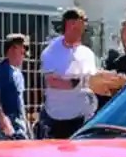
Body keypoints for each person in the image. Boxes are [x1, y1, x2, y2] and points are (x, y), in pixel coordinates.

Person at [39, 8, 102, 138]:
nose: (80, 33)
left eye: (82, 29)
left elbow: (94, 80)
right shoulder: (51, 51)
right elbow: (53, 82)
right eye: (76, 28)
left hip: (84, 118)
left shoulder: (87, 53)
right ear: (68, 25)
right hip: (59, 119)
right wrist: (78, 82)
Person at [0, 33, 30, 140]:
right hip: (7, 126)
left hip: (19, 123)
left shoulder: (18, 73)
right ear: (13, 49)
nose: (23, 56)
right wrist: (5, 124)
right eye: (22, 52)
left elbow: (20, 102)